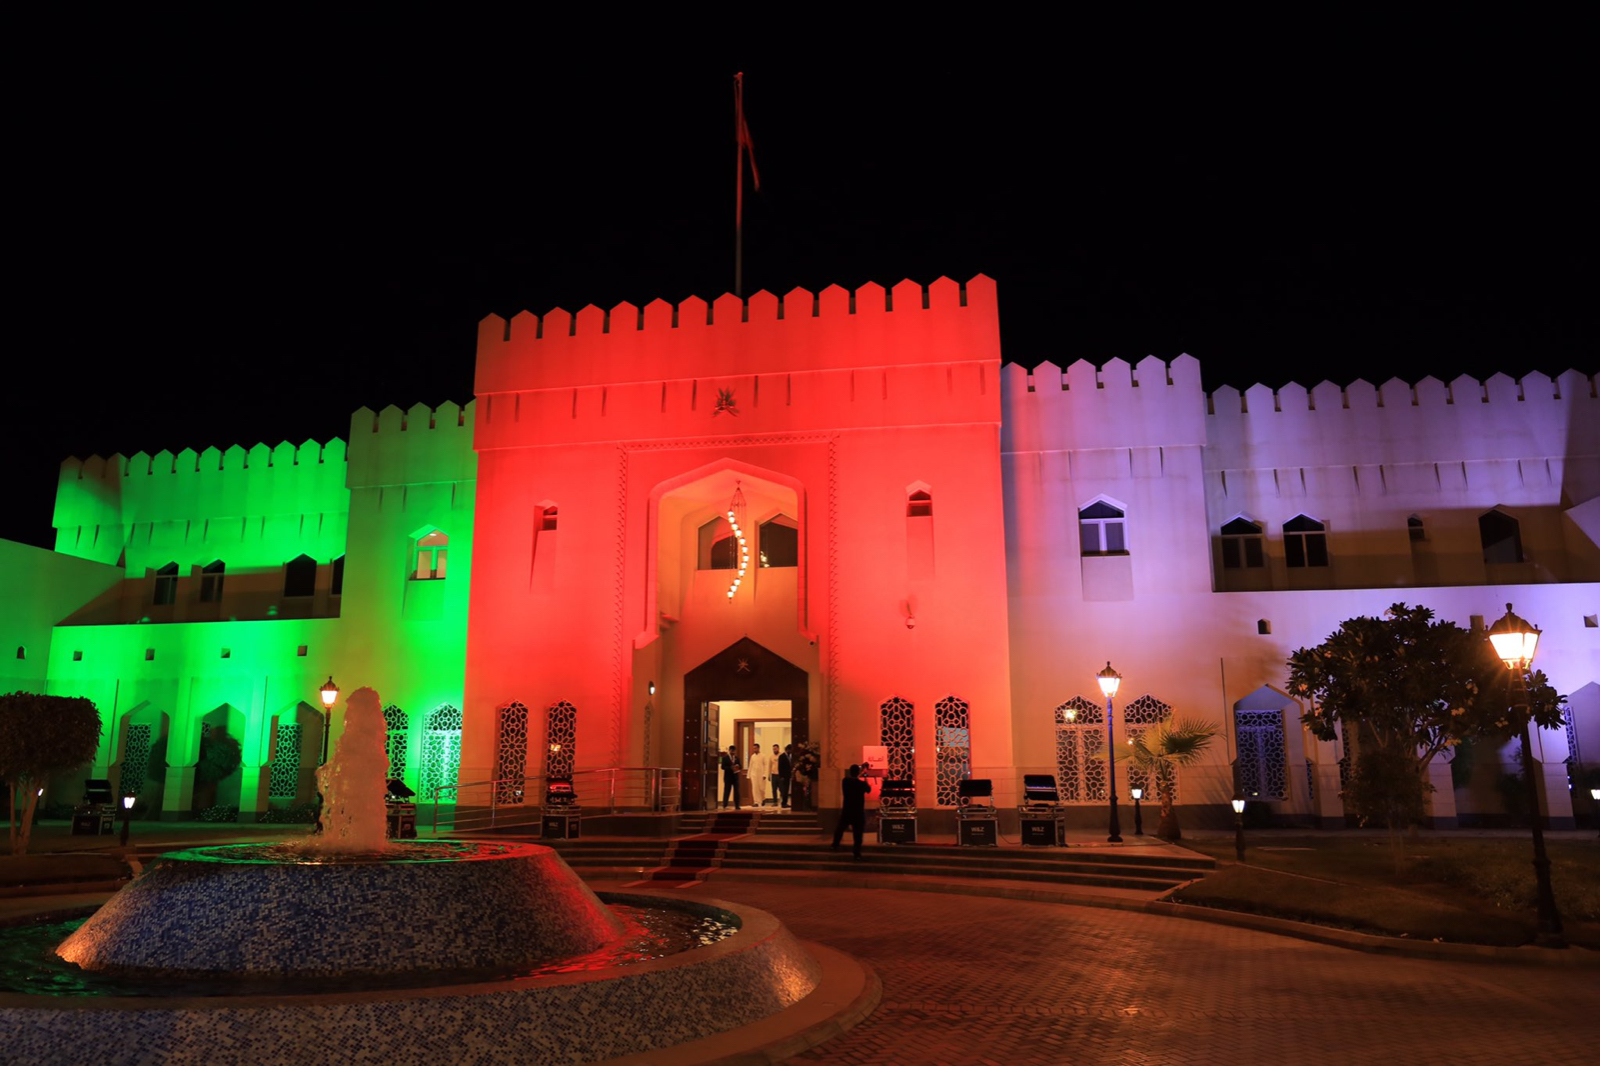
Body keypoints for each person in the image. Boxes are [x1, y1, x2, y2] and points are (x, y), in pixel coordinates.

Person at [832, 763, 871, 858]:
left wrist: (861, 772)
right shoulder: (861, 784)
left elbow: (853, 779)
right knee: (858, 834)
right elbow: (868, 789)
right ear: (858, 772)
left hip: (847, 810)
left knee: (840, 828)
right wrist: (865, 777)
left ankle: (835, 845)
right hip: (858, 812)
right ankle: (856, 852)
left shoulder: (845, 781)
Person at [719, 745, 741, 809]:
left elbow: (740, 766)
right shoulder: (725, 758)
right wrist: (730, 768)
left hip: (735, 777)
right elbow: (722, 767)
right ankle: (725, 804)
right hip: (728, 777)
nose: (733, 752)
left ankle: (737, 805)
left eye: (734, 751)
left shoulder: (737, 758)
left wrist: (737, 767)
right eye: (732, 751)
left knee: (736, 791)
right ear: (729, 750)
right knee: (727, 790)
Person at [772, 743, 790, 809]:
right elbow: (780, 767)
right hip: (780, 775)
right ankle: (777, 802)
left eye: (776, 748)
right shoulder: (782, 756)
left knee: (784, 790)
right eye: (773, 749)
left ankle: (784, 802)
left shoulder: (789, 756)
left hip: (787, 776)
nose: (774, 750)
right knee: (775, 789)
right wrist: (781, 776)